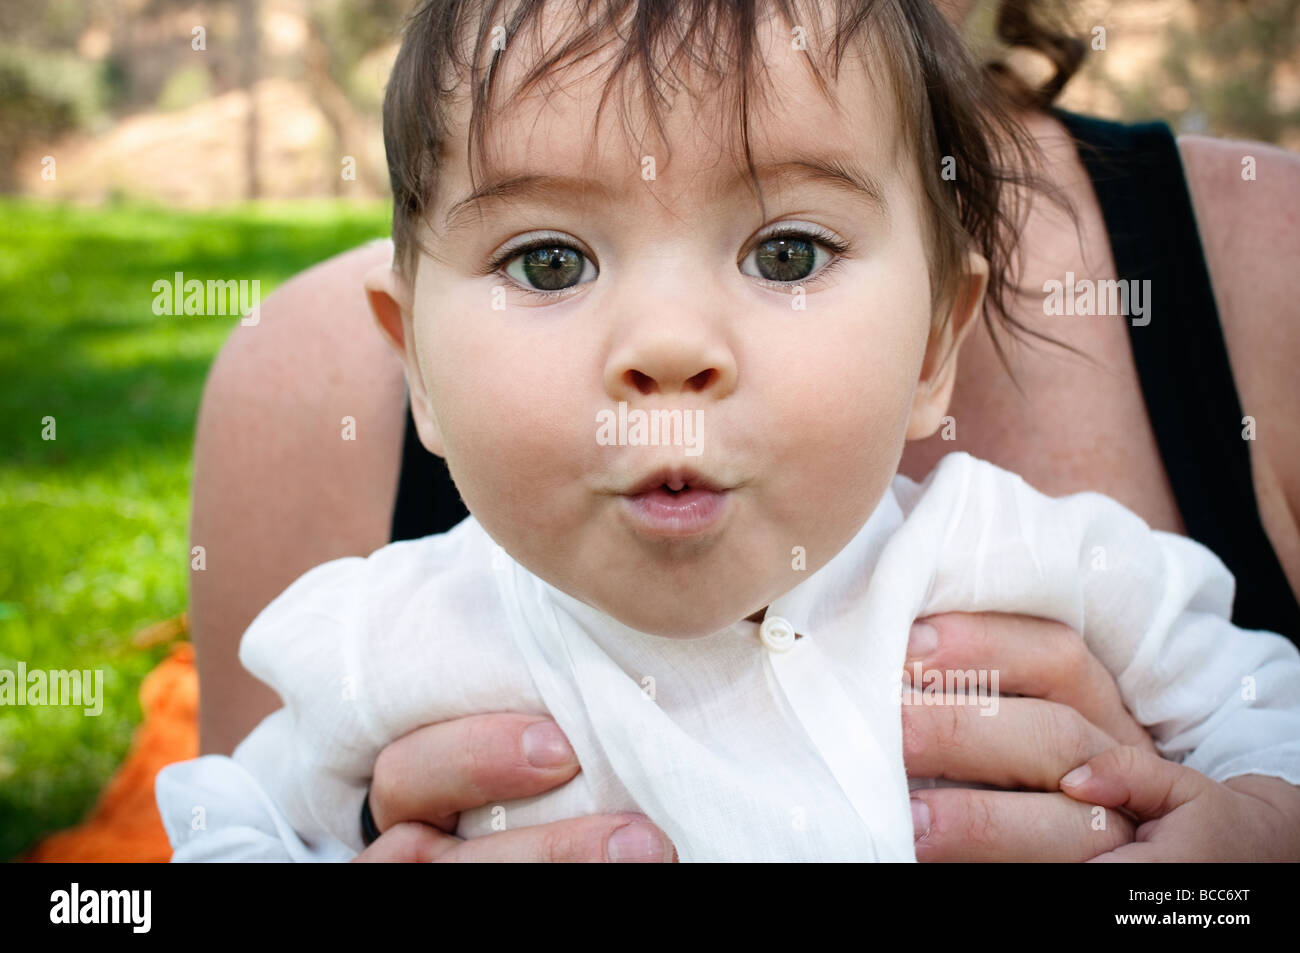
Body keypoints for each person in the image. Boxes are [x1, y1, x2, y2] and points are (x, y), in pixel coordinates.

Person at [160, 0, 1300, 862]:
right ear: (417, 367)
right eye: (548, 261)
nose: (665, 343)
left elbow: (1266, 723)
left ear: (929, 347)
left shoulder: (1021, 554)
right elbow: (230, 821)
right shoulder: (392, 637)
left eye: (786, 253)